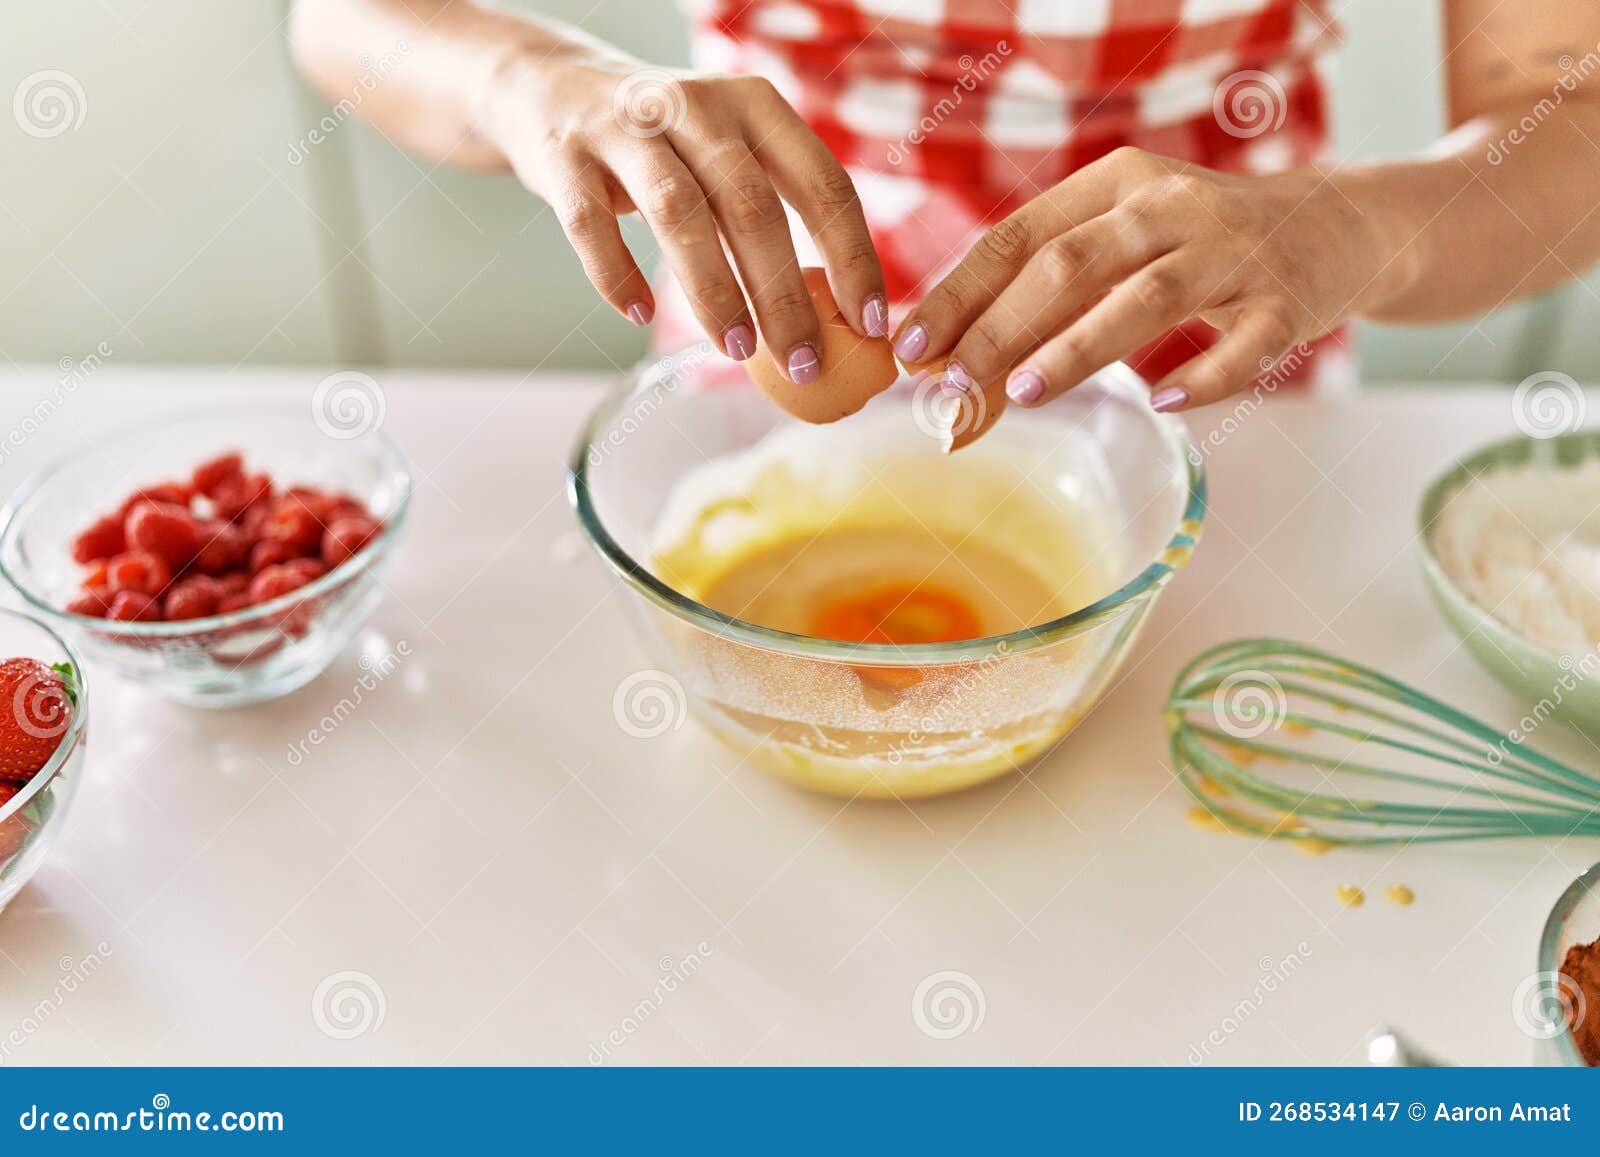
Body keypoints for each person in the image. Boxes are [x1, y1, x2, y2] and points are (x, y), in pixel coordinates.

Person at [291, 0, 1600, 416]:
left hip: (1222, 363)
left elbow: (1573, 115)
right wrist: (535, 80)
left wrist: (1355, 228)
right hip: (773, 332)